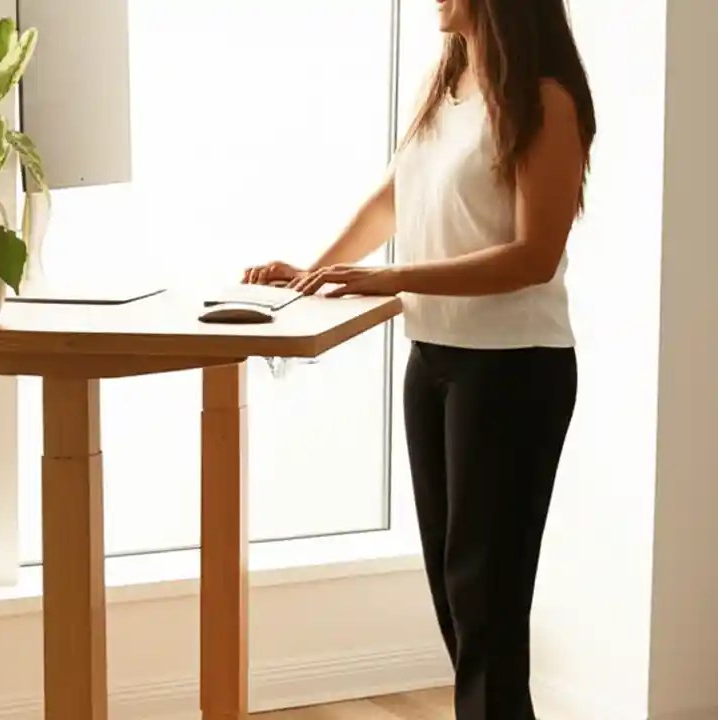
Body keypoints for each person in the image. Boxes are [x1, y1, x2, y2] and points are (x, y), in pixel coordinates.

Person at [244, 0, 595, 717]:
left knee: (485, 594)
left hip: (513, 367)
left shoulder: (543, 98)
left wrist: (393, 277)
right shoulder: (449, 85)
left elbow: (534, 256)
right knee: (454, 587)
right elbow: (393, 199)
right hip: (433, 359)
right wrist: (313, 270)